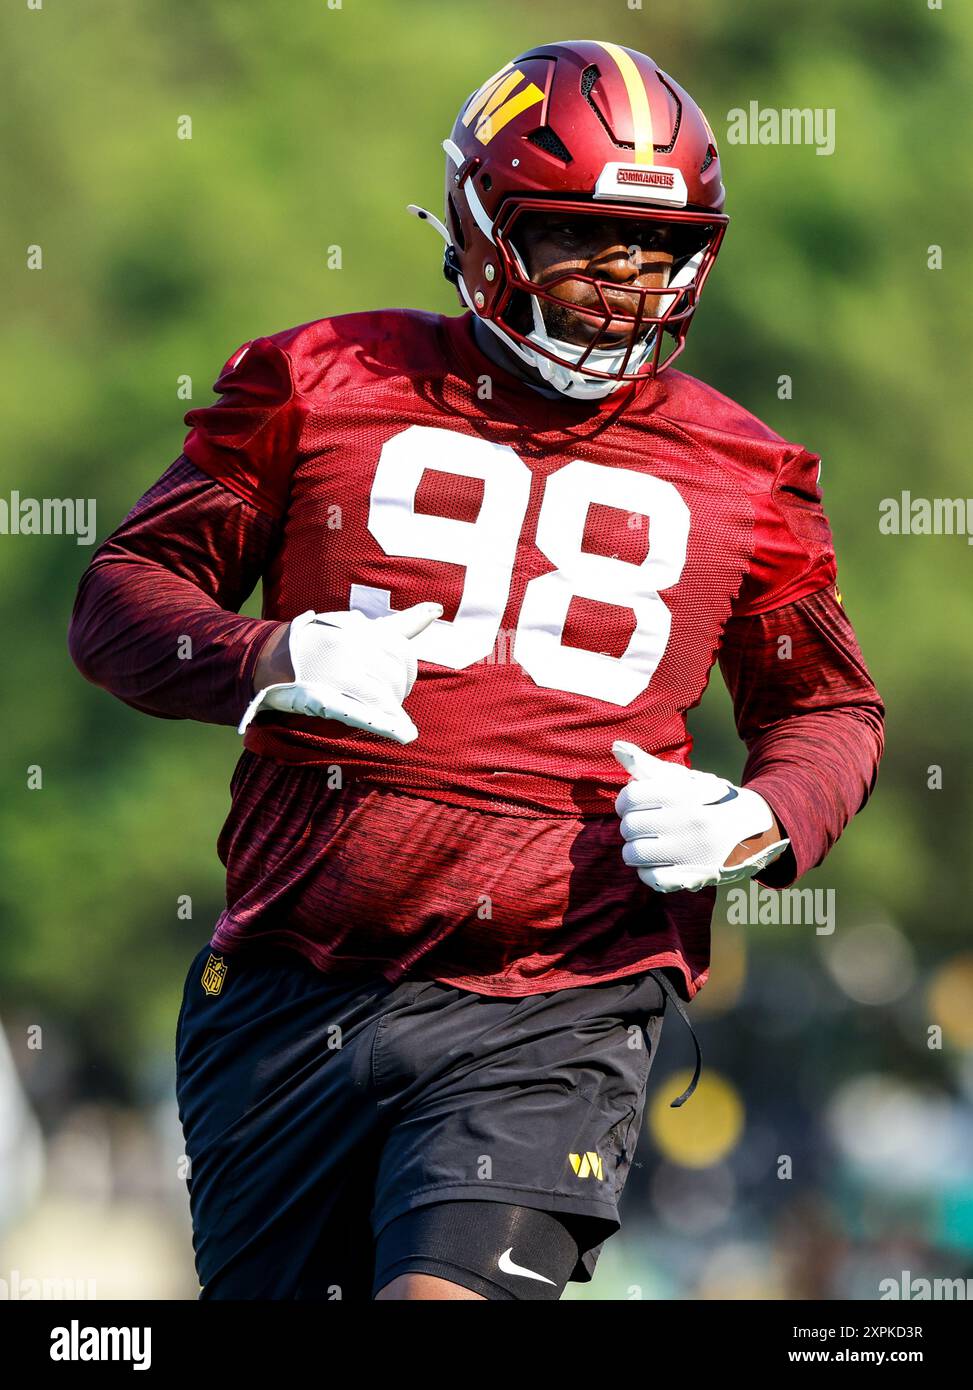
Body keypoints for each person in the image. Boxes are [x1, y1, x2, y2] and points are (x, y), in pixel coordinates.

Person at [68, 39, 884, 1301]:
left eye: (659, 248)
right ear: (483, 226)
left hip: (558, 997)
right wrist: (263, 658)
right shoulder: (317, 379)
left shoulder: (748, 468)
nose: (627, 280)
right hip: (292, 986)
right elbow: (118, 600)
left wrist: (764, 818)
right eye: (582, 237)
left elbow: (825, 704)